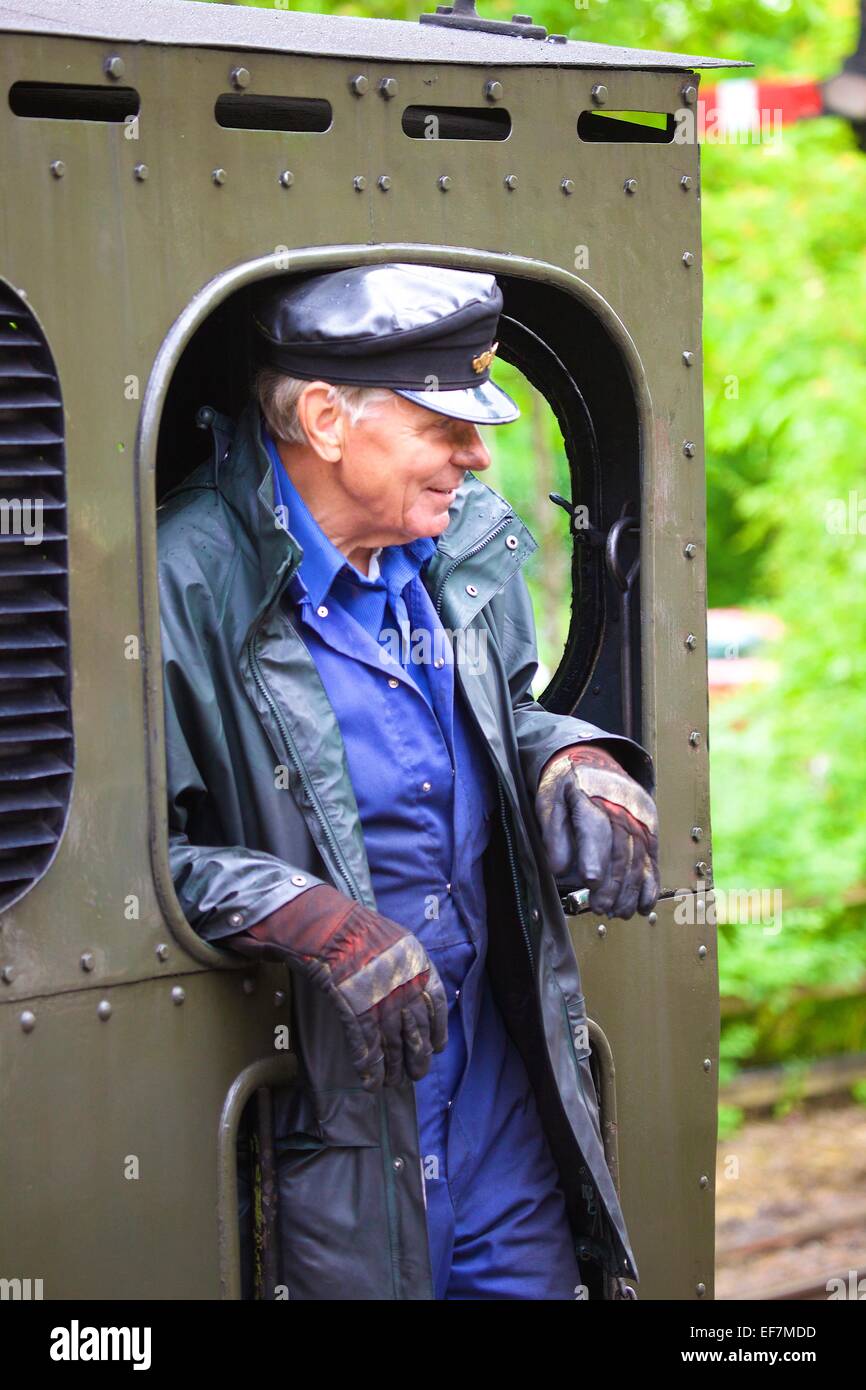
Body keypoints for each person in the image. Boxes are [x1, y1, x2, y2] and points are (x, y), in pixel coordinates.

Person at [157, 262, 660, 1300]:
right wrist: (305, 914)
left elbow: (499, 715)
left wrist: (568, 757)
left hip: (489, 1079)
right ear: (328, 420)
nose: (477, 456)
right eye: (446, 425)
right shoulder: (185, 577)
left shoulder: (455, 544)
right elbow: (136, 851)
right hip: (334, 1100)